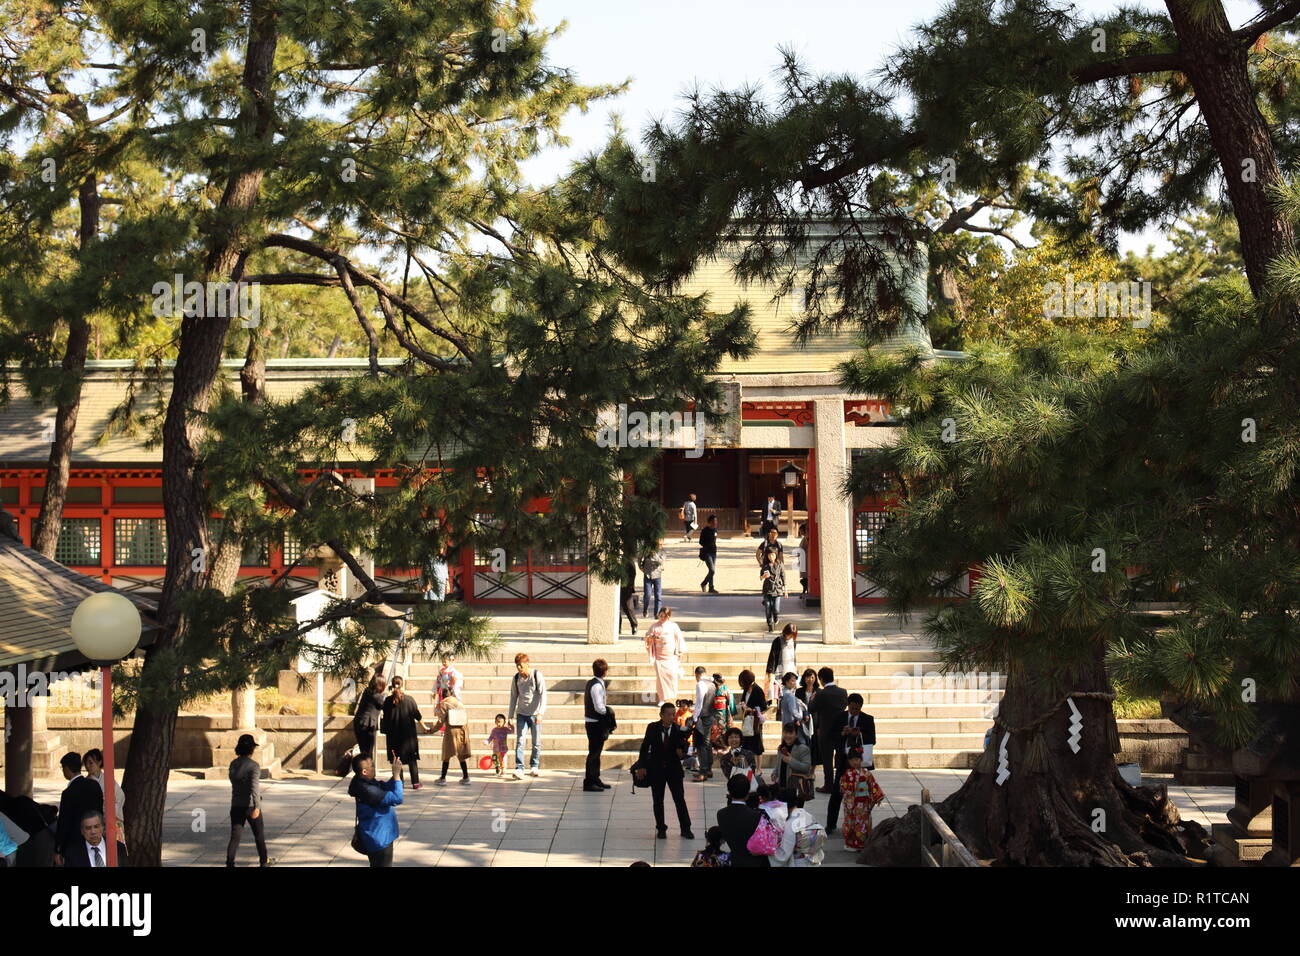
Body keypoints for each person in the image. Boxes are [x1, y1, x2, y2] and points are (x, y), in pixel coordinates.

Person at [635, 701, 694, 839]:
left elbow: (684, 748)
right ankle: (661, 828)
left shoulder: (679, 729)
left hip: (673, 770)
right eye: (668, 714)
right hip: (657, 769)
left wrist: (682, 751)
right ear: (661, 715)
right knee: (658, 800)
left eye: (673, 714)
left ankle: (686, 828)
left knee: (679, 799)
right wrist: (642, 766)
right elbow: (644, 747)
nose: (671, 717)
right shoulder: (652, 728)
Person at [826, 693, 876, 835]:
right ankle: (831, 824)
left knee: (860, 795)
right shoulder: (840, 717)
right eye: (852, 708)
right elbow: (830, 736)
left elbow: (872, 739)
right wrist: (842, 734)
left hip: (860, 762)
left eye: (857, 709)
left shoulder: (867, 719)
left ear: (860, 707)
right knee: (836, 793)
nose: (854, 710)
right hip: (843, 761)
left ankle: (861, 826)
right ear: (848, 706)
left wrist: (857, 734)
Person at [348, 753, 403, 867]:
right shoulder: (368, 790)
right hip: (379, 838)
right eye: (372, 765)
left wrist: (395, 774)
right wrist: (397, 776)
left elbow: (384, 787)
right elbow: (397, 798)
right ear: (364, 772)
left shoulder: (363, 782)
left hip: (376, 835)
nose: (374, 767)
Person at [226, 733, 272, 866]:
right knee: (259, 835)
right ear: (252, 749)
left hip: (236, 805)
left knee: (235, 836)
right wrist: (257, 806)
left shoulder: (233, 764)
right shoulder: (254, 766)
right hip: (250, 806)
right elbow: (254, 788)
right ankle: (264, 861)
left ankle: (229, 862)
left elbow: (233, 781)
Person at [382, 675, 429, 789]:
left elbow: (385, 718)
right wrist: (424, 727)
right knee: (412, 759)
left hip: (393, 736)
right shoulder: (409, 700)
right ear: (403, 685)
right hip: (409, 736)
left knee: (396, 759)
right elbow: (417, 715)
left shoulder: (388, 701)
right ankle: (415, 782)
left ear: (392, 686)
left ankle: (400, 782)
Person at [53, 752, 101, 864]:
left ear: (67, 768)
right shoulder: (94, 785)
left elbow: (64, 822)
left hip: (74, 843)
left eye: (63, 768)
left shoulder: (68, 793)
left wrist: (58, 849)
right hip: (95, 838)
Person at [715, 773, 768, 867]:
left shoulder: (721, 814)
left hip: (735, 861)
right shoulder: (756, 816)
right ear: (748, 794)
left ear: (729, 792)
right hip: (755, 862)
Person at [508, 652, 547, 779]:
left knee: (536, 742)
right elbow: (513, 697)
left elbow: (543, 695)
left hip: (535, 714)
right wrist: (510, 716)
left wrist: (541, 713)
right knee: (520, 741)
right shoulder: (516, 679)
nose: (519, 668)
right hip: (521, 714)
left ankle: (534, 765)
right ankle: (519, 768)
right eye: (517, 666)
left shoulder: (536, 675)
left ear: (527, 664)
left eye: (521, 665)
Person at [809, 667, 847, 792]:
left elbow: (811, 709)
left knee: (827, 760)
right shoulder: (843, 692)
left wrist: (812, 699)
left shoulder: (821, 694)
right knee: (840, 759)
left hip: (825, 731)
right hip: (841, 731)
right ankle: (840, 784)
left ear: (821, 679)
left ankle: (829, 785)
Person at [838, 746, 885, 848]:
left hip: (863, 804)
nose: (854, 762)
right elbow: (842, 787)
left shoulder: (867, 774)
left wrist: (877, 797)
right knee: (850, 823)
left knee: (862, 823)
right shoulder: (847, 774)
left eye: (857, 759)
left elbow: (873, 785)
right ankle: (851, 843)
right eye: (852, 760)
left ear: (861, 759)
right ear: (849, 761)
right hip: (851, 803)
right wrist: (849, 787)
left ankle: (862, 843)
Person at [772, 789, 826, 867]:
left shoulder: (790, 824)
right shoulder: (808, 815)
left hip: (800, 862)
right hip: (813, 858)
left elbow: (784, 855)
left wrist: (768, 853)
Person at [82, 748, 125, 845]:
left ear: (99, 762)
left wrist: (111, 808)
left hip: (113, 818)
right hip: (95, 822)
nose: (88, 766)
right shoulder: (86, 782)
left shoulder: (108, 778)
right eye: (86, 764)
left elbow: (120, 796)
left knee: (117, 848)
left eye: (91, 763)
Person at [583, 659, 613, 792]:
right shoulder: (596, 686)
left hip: (592, 722)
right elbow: (599, 707)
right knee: (594, 753)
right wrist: (608, 711)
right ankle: (589, 781)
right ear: (605, 671)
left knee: (596, 752)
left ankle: (596, 778)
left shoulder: (593, 683)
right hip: (594, 723)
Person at [645, 607, 686, 704]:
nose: (662, 618)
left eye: (664, 616)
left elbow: (679, 638)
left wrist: (679, 651)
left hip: (671, 655)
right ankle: (662, 698)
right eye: (661, 615)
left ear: (668, 616)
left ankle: (671, 696)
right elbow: (647, 637)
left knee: (672, 675)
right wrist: (651, 637)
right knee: (660, 678)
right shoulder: (654, 626)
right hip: (659, 656)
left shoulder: (673, 626)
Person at [61, 809, 127, 867]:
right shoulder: (72, 853)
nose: (93, 832)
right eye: (88, 828)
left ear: (103, 827)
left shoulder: (118, 848)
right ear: (82, 831)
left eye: (96, 827)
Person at [432, 692, 472, 785]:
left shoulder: (444, 703)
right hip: (463, 729)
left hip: (451, 730)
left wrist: (432, 730)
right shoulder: (459, 702)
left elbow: (440, 721)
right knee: (461, 755)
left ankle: (443, 778)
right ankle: (466, 777)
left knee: (446, 754)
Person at [771, 721, 814, 802]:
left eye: (790, 733)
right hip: (781, 788)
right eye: (785, 732)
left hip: (796, 789)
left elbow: (807, 768)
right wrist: (774, 773)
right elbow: (778, 764)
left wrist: (791, 761)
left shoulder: (803, 749)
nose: (787, 735)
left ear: (796, 734)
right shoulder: (781, 748)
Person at [736, 669, 768, 773]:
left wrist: (752, 709)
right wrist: (743, 705)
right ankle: (748, 766)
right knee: (747, 743)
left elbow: (763, 706)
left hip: (755, 722)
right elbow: (743, 700)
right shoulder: (746, 690)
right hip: (747, 721)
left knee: (757, 744)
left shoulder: (757, 690)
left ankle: (758, 768)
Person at [352, 672, 387, 758]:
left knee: (363, 751)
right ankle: (367, 769)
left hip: (358, 722)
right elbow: (385, 705)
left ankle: (362, 768)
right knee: (368, 753)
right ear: (380, 685)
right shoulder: (377, 697)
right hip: (367, 725)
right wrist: (386, 695)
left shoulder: (367, 691)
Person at [691, 666, 716, 782]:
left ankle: (703, 771)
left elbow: (699, 704)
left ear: (697, 675)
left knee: (702, 745)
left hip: (703, 717)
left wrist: (695, 717)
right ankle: (709, 769)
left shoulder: (700, 684)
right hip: (711, 715)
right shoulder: (712, 683)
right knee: (708, 743)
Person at [716, 726, 757, 795]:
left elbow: (752, 772)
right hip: (734, 791)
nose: (734, 740)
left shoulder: (748, 754)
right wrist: (734, 765)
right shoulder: (725, 758)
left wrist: (744, 764)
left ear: (740, 739)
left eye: (736, 737)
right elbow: (728, 776)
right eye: (731, 737)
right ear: (727, 740)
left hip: (749, 790)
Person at [796, 668, 822, 769]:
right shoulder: (799, 691)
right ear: (804, 678)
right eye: (808, 677)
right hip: (803, 721)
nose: (810, 679)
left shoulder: (819, 692)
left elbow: (820, 710)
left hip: (815, 722)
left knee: (814, 747)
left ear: (815, 678)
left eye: (812, 677)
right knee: (803, 746)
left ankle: (812, 771)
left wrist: (820, 725)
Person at [764, 622, 798, 700]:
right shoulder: (778, 641)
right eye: (788, 634)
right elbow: (772, 658)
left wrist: (796, 670)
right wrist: (770, 673)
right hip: (779, 671)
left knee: (791, 693)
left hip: (791, 670)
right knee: (780, 694)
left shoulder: (793, 642)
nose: (789, 637)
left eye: (791, 635)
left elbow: (794, 658)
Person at [777, 675, 812, 748]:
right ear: (786, 682)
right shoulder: (790, 695)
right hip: (792, 723)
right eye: (792, 681)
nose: (794, 683)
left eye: (795, 681)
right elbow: (793, 711)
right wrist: (801, 718)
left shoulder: (783, 692)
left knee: (786, 744)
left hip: (786, 721)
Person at [759, 549, 786, 632]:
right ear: (767, 556)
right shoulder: (765, 565)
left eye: (773, 555)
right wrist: (763, 576)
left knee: (776, 608)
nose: (771, 557)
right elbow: (760, 577)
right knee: (768, 607)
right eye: (770, 555)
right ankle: (770, 625)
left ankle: (776, 617)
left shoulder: (780, 564)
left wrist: (785, 589)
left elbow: (783, 576)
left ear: (776, 555)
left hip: (777, 589)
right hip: (767, 589)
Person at [640, 544, 665, 616]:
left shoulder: (661, 551)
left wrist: (655, 555)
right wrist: (640, 567)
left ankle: (656, 614)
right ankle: (645, 610)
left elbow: (661, 561)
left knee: (658, 596)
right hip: (647, 575)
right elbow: (640, 557)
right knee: (647, 594)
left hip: (657, 575)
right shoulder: (646, 549)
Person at [698, 514, 719, 593]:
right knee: (712, 570)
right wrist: (707, 546)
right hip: (707, 553)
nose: (715, 523)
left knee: (711, 571)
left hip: (714, 552)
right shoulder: (704, 530)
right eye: (714, 521)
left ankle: (711, 587)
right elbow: (700, 542)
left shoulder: (715, 530)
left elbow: (714, 540)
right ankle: (704, 583)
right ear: (709, 522)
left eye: (716, 521)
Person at [619, 558, 639, 636]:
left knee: (628, 608)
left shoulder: (628, 559)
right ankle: (618, 627)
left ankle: (634, 625)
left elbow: (633, 573)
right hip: (615, 586)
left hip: (626, 587)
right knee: (616, 609)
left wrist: (630, 585)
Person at [797, 523, 809, 596]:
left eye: (801, 530)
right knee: (803, 576)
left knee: (805, 577)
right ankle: (805, 590)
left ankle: (805, 590)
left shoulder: (806, 539)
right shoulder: (804, 539)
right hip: (803, 559)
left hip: (806, 560)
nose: (800, 532)